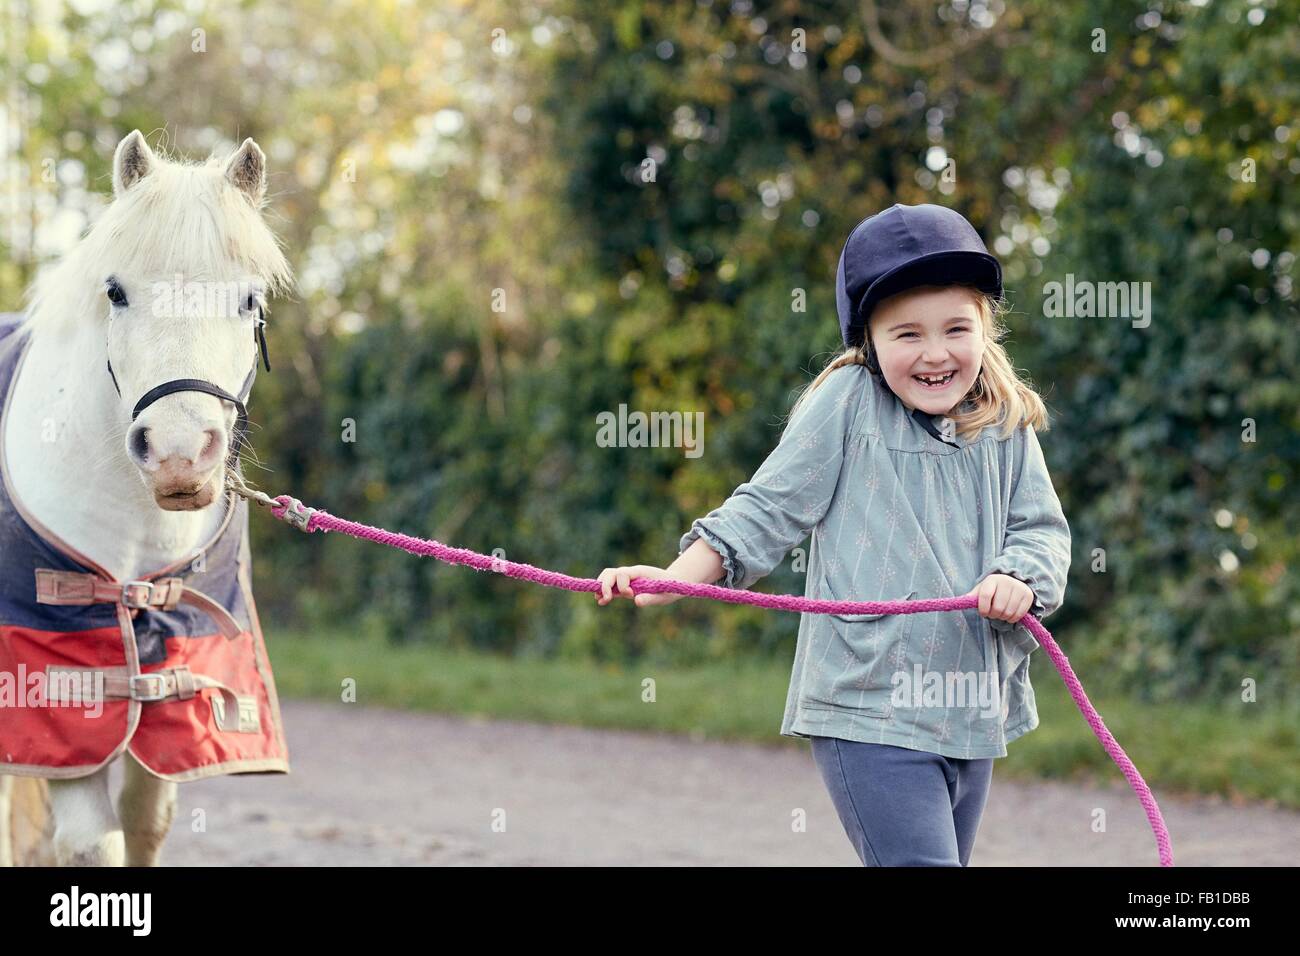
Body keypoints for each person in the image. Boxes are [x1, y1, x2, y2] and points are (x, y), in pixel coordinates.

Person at [596, 203, 1072, 866]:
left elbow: (1041, 529)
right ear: (869, 342)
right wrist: (676, 579)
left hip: (969, 705)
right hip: (868, 705)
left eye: (956, 328)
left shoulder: (1003, 421)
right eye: (907, 334)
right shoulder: (848, 401)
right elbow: (767, 508)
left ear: (984, 329)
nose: (935, 353)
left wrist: (1020, 577)